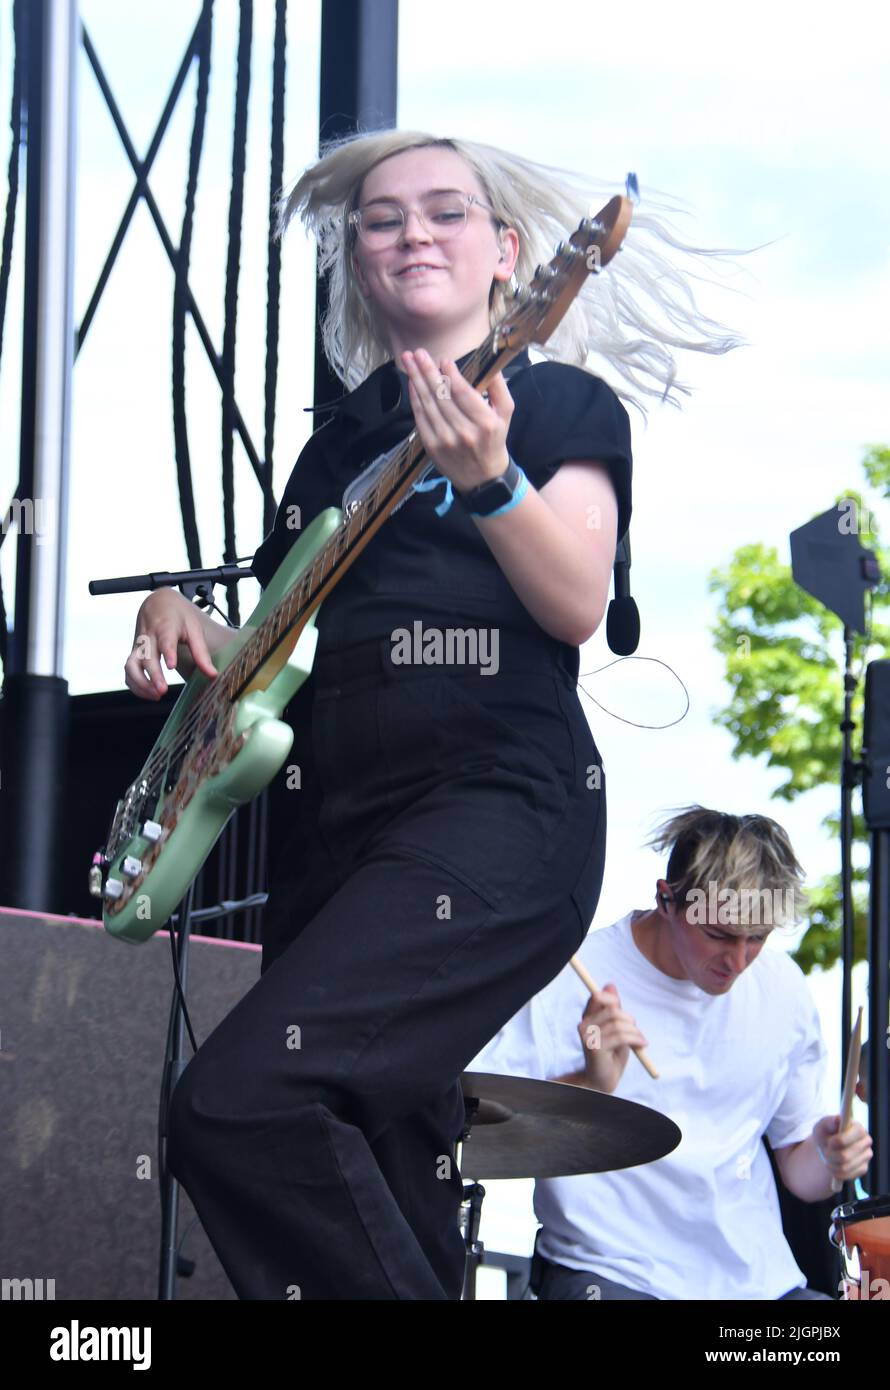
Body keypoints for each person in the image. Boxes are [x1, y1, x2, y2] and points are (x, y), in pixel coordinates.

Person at [122, 131, 736, 1300]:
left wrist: (494, 476)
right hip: (330, 840)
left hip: (492, 812)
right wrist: (178, 615)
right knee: (375, 1161)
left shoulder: (555, 398)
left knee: (242, 1104)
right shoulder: (330, 448)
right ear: (355, 262)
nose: (411, 233)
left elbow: (572, 601)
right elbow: (266, 655)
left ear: (511, 254)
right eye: (381, 219)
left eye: (445, 212)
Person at [471, 806, 874, 1300]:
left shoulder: (783, 988)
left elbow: (800, 1172)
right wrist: (591, 1084)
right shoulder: (570, 975)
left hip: (757, 1284)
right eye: (720, 934)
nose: (739, 959)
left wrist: (831, 1156)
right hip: (612, 1272)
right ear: (666, 900)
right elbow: (474, 1130)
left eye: (758, 938)